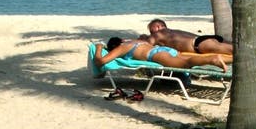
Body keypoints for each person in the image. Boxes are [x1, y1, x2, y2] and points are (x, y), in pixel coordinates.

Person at [147, 18, 256, 60]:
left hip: (198, 45)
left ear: (158, 26)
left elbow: (147, 46)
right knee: (239, 45)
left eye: (151, 29)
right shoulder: (174, 31)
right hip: (203, 39)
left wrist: (143, 38)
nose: (151, 32)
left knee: (236, 50)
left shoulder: (157, 34)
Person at [94, 36, 229, 71]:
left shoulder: (121, 48)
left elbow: (100, 62)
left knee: (185, 64)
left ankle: (213, 60)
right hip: (165, 50)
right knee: (191, 58)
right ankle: (233, 60)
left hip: (156, 55)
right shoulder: (136, 41)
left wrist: (99, 47)